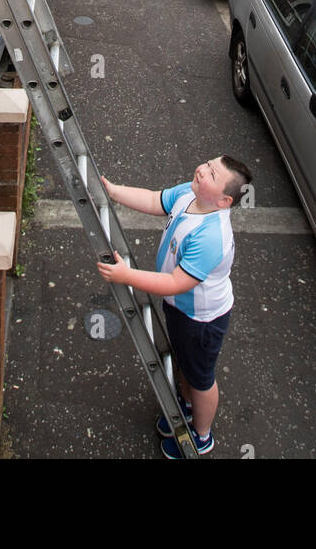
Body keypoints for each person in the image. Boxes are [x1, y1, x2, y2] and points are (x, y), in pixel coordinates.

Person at [98, 154, 251, 459]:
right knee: (183, 361)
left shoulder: (211, 237)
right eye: (207, 165)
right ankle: (185, 402)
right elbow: (156, 200)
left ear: (224, 201)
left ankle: (201, 435)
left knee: (201, 377)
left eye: (211, 175)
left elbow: (176, 283)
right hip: (181, 310)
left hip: (201, 320)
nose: (202, 171)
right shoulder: (190, 193)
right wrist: (114, 192)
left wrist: (128, 276)